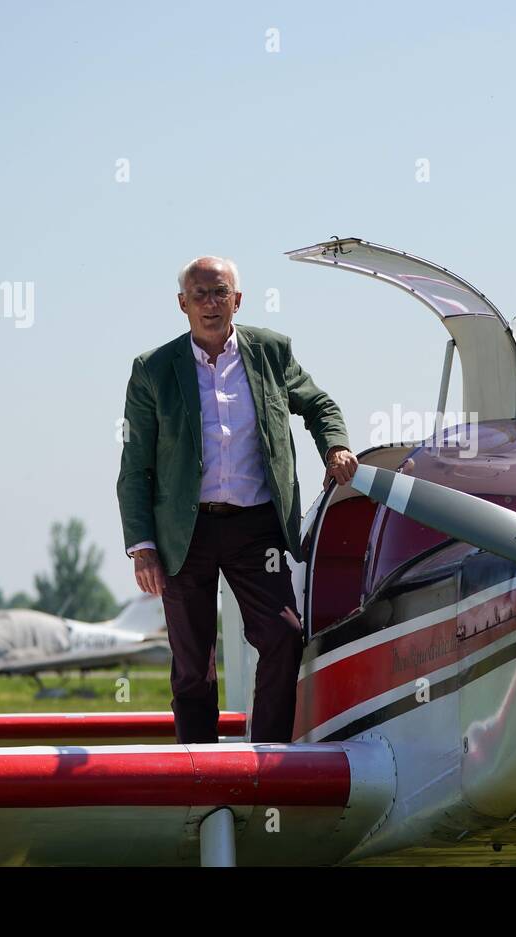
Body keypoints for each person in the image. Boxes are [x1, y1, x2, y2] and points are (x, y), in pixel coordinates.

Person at [116, 256, 357, 744]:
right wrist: (142, 545)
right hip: (185, 534)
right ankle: (199, 774)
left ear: (237, 300)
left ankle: (267, 760)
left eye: (219, 292)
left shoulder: (270, 351)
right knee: (192, 666)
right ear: (182, 304)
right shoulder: (153, 370)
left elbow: (318, 404)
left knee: (283, 636)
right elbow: (135, 465)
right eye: (199, 294)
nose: (210, 303)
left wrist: (334, 445)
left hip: (257, 529)